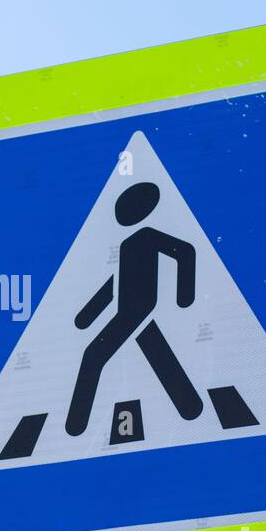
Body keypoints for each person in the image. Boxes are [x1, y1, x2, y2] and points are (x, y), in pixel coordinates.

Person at [66, 181, 203, 436]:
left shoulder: (148, 236)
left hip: (138, 309)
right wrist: (86, 316)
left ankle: (75, 426)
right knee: (158, 353)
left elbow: (185, 252)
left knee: (93, 356)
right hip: (131, 310)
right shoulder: (128, 244)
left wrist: (184, 297)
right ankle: (192, 407)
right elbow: (115, 286)